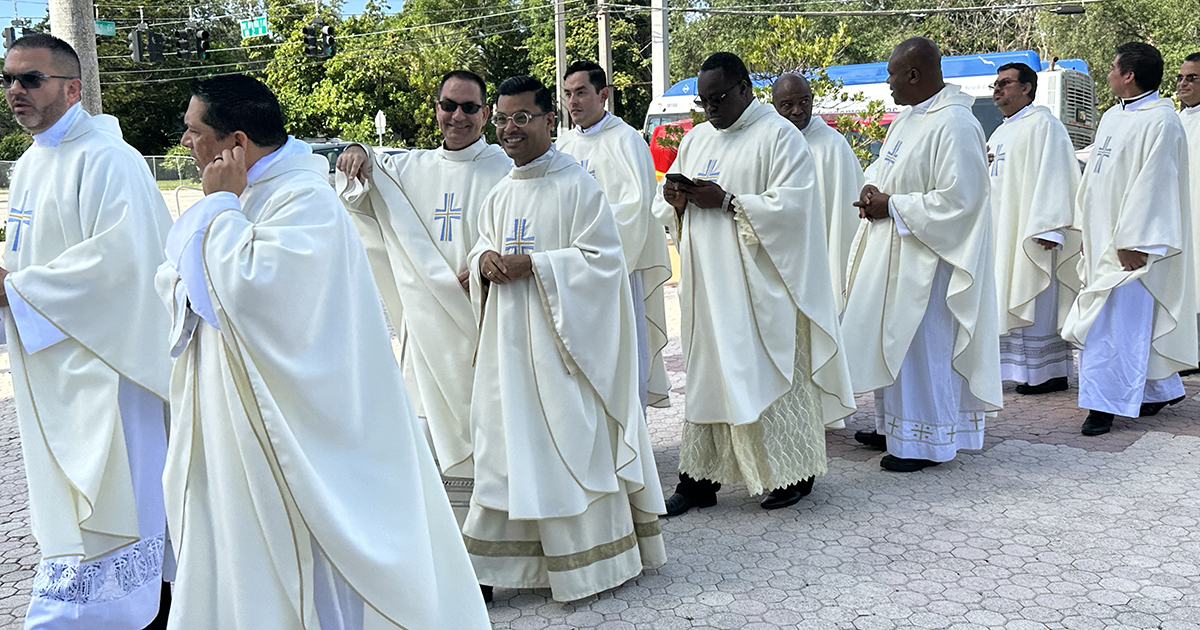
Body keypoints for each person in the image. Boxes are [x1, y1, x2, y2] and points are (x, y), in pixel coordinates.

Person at [158, 75, 489, 629]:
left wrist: (219, 207)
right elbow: (177, 279)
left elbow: (242, 295)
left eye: (194, 132)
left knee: (313, 569)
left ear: (235, 142)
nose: (186, 144)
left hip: (305, 435)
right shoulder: (248, 195)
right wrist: (218, 219)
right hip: (237, 421)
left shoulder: (303, 200)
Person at [464, 75, 665, 602]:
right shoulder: (499, 190)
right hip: (508, 353)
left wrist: (537, 265)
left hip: (563, 355)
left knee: (563, 452)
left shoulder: (577, 185)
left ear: (549, 120)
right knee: (504, 449)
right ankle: (494, 564)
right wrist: (481, 259)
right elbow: (484, 243)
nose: (510, 129)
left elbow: (604, 262)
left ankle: (586, 564)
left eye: (522, 118)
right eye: (502, 119)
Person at [0, 34, 174, 629]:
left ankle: (125, 614)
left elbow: (124, 266)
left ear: (72, 88)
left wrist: (17, 291)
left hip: (109, 371)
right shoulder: (30, 161)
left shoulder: (108, 159)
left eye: (31, 79)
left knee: (119, 503)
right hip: (50, 364)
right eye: (9, 80)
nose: (16, 91)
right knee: (67, 511)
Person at [654, 52, 855, 515]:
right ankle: (699, 480)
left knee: (767, 373)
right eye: (704, 101)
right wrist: (676, 200)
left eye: (719, 98)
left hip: (762, 289)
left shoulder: (779, 135)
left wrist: (726, 201)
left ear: (745, 87)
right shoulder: (698, 138)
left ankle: (792, 473)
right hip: (709, 289)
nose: (711, 110)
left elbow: (797, 208)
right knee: (708, 378)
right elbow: (668, 213)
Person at [336, 70, 511, 523]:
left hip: (487, 322)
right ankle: (444, 545)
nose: (458, 116)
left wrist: (489, 265)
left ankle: (493, 543)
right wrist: (357, 152)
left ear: (486, 113)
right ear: (435, 109)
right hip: (429, 335)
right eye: (448, 105)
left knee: (491, 431)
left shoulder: (506, 168)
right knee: (428, 439)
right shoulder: (409, 168)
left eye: (469, 107)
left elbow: (526, 231)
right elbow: (363, 198)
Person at [842, 37, 1002, 472]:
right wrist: (872, 190)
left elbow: (961, 200)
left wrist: (892, 205)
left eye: (892, 74)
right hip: (897, 251)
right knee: (894, 342)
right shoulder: (909, 119)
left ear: (914, 74)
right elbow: (887, 170)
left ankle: (926, 443)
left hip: (930, 264)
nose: (888, 82)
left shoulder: (954, 124)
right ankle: (894, 428)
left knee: (921, 347)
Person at [1062, 43, 1198, 435]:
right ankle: (1159, 388)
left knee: (1114, 324)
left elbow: (1156, 185)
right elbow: (1096, 181)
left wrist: (1136, 240)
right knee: (1118, 323)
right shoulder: (1110, 118)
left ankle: (1102, 406)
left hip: (1130, 246)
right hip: (1102, 237)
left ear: (1129, 76)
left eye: (1112, 67)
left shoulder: (1162, 121)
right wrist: (1087, 230)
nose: (1107, 74)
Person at [556, 60, 672, 409]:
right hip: (572, 273)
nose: (573, 101)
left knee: (622, 356)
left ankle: (630, 444)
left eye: (581, 92)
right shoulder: (562, 147)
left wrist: (590, 246)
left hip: (617, 269)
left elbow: (636, 208)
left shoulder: (627, 141)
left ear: (603, 94)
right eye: (567, 94)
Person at [986, 62, 1082, 395]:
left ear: (1026, 87)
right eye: (995, 85)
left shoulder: (1045, 125)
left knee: (1036, 293)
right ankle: (1022, 371)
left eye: (1005, 83)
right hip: (1002, 231)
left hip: (1032, 231)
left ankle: (1050, 373)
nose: (998, 89)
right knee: (1007, 291)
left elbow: (1057, 173)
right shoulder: (999, 132)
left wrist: (1052, 227)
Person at [771, 73, 864, 311]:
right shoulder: (768, 144)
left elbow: (844, 214)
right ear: (774, 106)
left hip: (821, 257)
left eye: (804, 102)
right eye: (787, 105)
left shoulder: (833, 146)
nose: (797, 110)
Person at [1177, 52, 1200, 376]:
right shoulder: (1175, 121)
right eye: (1180, 77)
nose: (1182, 83)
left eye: (1191, 78)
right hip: (1182, 217)